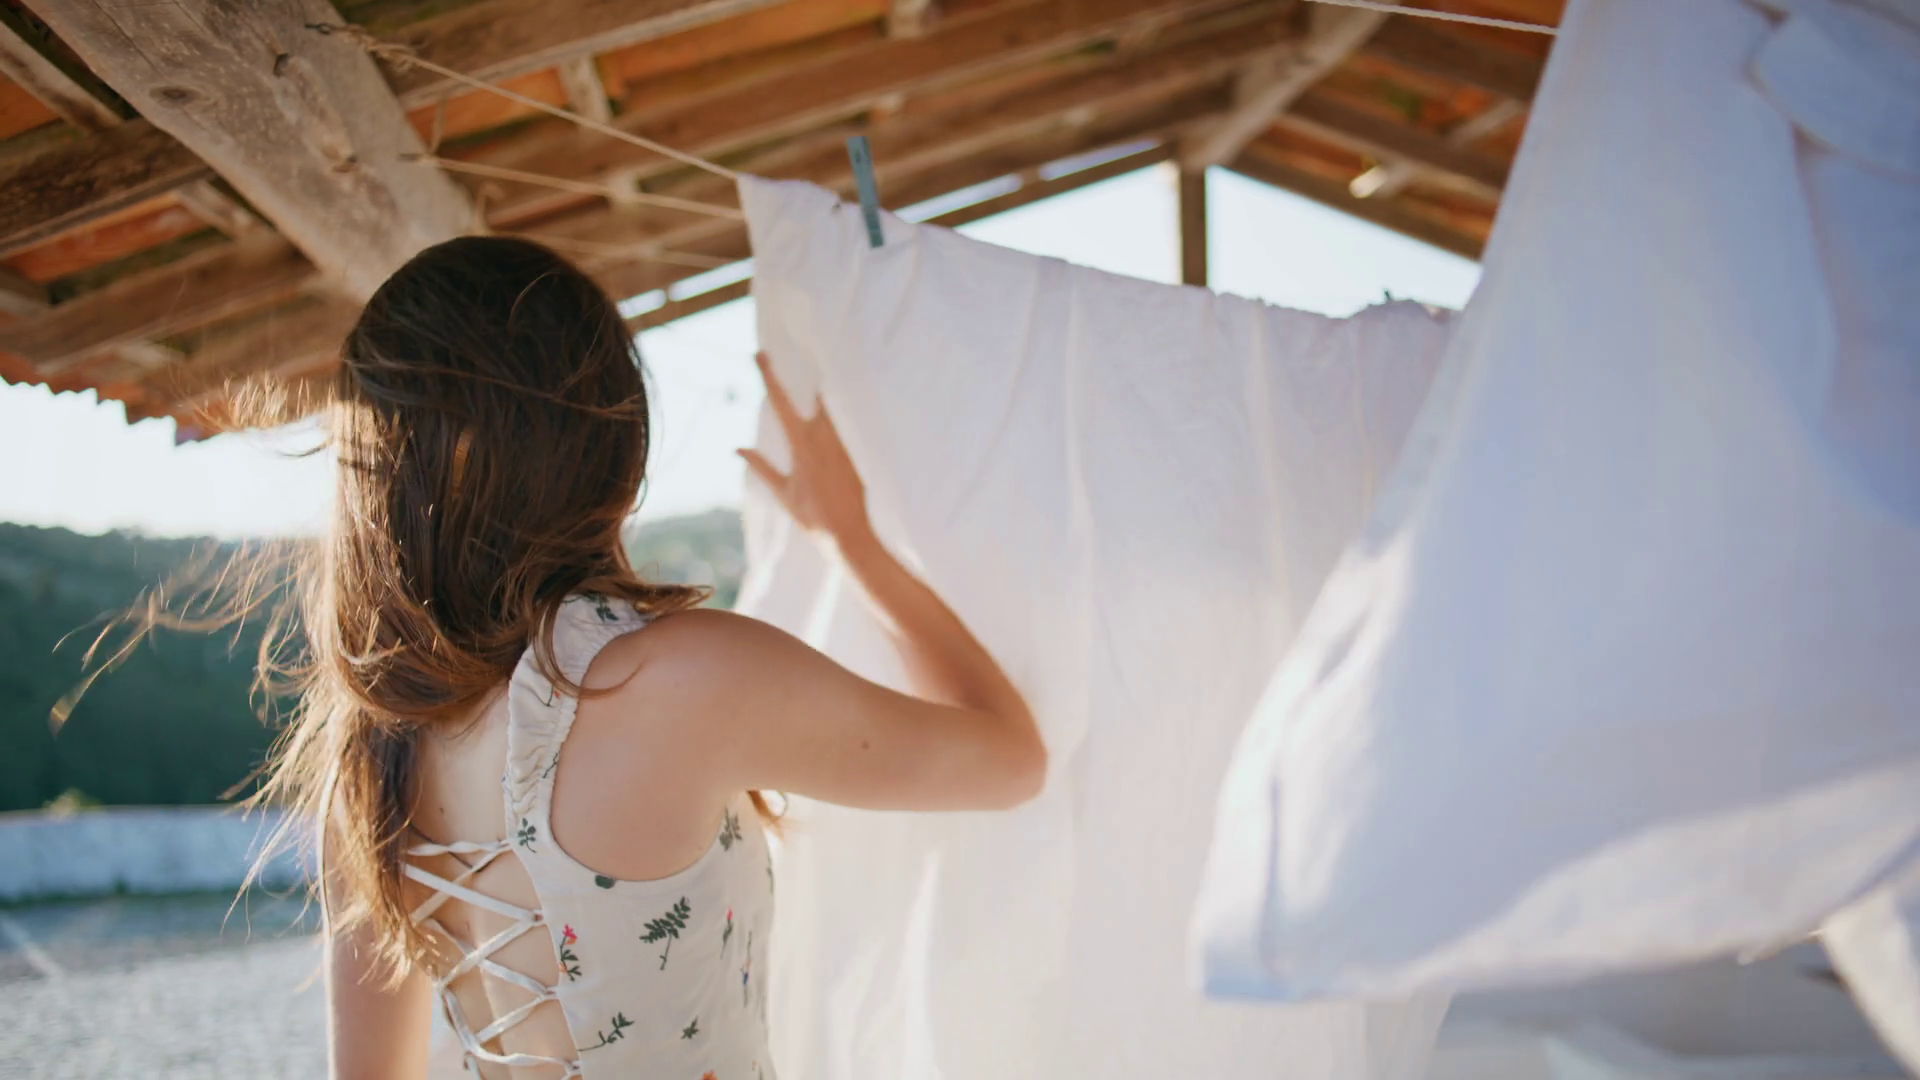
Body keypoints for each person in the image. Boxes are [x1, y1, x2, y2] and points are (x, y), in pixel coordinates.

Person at [258, 237, 1041, 1079]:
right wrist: (852, 539)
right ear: (615, 453)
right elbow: (1011, 760)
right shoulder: (673, 680)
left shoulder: (371, 757)